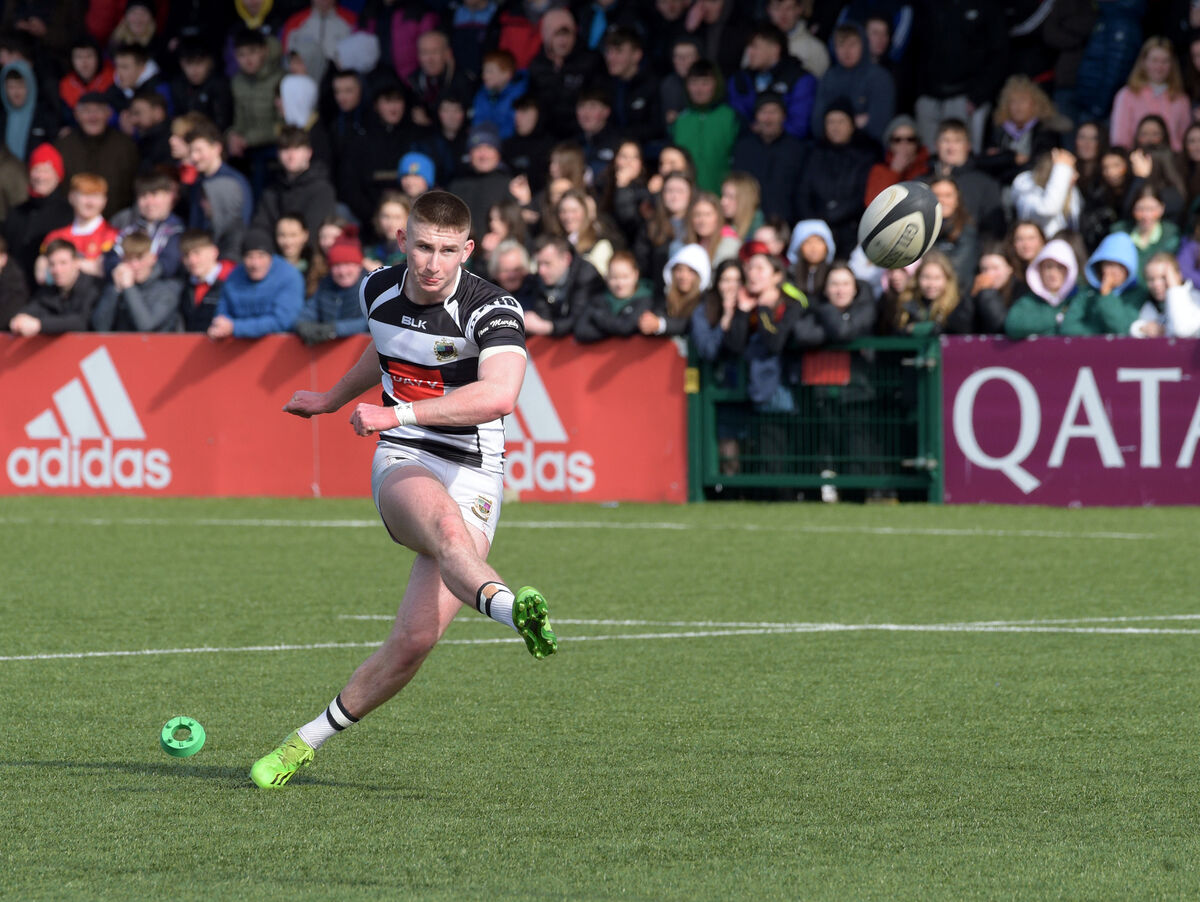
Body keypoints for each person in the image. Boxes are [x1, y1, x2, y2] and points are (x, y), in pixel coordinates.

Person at [250, 190, 556, 789]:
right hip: (405, 454)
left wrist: (395, 412)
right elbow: (384, 349)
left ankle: (302, 742)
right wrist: (332, 399)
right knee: (446, 532)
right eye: (423, 247)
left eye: (447, 250)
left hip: (475, 467)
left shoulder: (493, 309)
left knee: (413, 642)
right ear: (402, 242)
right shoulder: (376, 289)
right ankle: (510, 609)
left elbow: (499, 395)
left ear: (467, 250)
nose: (433, 263)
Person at [208, 228, 304, 339]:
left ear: (271, 256)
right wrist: (220, 326)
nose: (255, 264)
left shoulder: (289, 276)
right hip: (238, 346)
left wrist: (236, 327)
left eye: (261, 256)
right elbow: (222, 313)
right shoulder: (234, 277)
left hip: (281, 347)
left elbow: (283, 321)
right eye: (249, 256)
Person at [54, 92, 138, 217]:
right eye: (87, 111)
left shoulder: (126, 146)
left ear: (108, 114)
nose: (93, 117)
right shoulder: (63, 146)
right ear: (76, 115)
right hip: (71, 221)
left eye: (98, 110)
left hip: (116, 221)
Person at [727, 23, 816, 141]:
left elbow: (799, 127)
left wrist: (767, 130)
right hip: (748, 147)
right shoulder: (740, 79)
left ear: (775, 49)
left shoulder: (800, 79)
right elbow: (736, 122)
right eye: (748, 47)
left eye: (755, 47)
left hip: (788, 148)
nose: (749, 52)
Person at [809, 21, 894, 144]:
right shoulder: (828, 77)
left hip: (866, 149)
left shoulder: (880, 78)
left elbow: (878, 127)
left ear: (863, 45)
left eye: (852, 44)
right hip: (829, 149)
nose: (846, 51)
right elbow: (817, 126)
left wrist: (834, 124)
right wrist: (856, 121)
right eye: (841, 45)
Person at [252, 126, 336, 239]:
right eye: (285, 149)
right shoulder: (272, 190)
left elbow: (315, 235)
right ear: (278, 154)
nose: (291, 156)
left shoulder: (322, 190)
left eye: (297, 148)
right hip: (273, 250)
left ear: (309, 153)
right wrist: (261, 247)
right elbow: (260, 227)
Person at [91, 230, 183, 332]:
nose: (135, 266)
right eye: (129, 259)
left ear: (153, 258)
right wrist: (115, 290)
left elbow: (146, 326)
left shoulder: (169, 288)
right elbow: (100, 327)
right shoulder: (117, 287)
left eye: (140, 258)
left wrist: (129, 288)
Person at [1110, 37, 1191, 152]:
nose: (1159, 66)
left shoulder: (1181, 99)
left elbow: (1185, 141)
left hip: (1171, 159)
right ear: (1144, 62)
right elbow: (1120, 139)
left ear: (1172, 64)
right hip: (1136, 158)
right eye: (1154, 60)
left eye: (1165, 61)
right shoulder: (1126, 95)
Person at [186, 119, 253, 259]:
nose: (194, 157)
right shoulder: (197, 183)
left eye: (199, 150)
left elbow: (241, 226)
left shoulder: (234, 182)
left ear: (216, 148)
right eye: (191, 151)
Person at [672, 59, 739, 195]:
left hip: (723, 196)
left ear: (716, 85)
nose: (699, 89)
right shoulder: (680, 121)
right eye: (693, 83)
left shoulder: (731, 118)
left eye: (705, 83)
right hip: (687, 197)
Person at [8, 239, 102, 336]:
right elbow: (34, 308)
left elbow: (81, 322)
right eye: (52, 264)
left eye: (63, 263)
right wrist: (20, 319)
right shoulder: (49, 291)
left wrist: (40, 325)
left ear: (76, 263)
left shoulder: (94, 287)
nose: (57, 270)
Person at [1061, 231, 1148, 336]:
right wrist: (1099, 337)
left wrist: (1106, 294)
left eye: (1120, 265)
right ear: (1100, 266)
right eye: (1109, 264)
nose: (1113, 272)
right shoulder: (1088, 292)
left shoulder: (1138, 293)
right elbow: (1068, 326)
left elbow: (1122, 327)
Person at [38, 173, 118, 281]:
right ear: (71, 197)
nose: (90, 202)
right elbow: (43, 276)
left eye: (96, 196)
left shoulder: (114, 236)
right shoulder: (55, 237)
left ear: (104, 200)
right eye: (85, 195)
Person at [524, 233, 605, 337]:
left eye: (547, 263)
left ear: (566, 259)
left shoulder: (586, 275)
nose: (541, 271)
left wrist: (549, 327)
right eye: (539, 264)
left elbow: (580, 319)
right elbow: (543, 314)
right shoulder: (539, 280)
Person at [293, 232, 368, 344]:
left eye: (347, 264)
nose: (342, 272)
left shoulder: (370, 287)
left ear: (359, 266)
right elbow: (309, 311)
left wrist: (334, 329)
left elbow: (369, 322)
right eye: (337, 265)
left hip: (360, 349)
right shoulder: (325, 285)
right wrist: (303, 326)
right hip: (326, 351)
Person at [1005, 237, 1080, 339]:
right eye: (1048, 267)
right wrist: (1057, 318)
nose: (1053, 273)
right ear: (1039, 270)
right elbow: (1013, 326)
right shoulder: (1028, 301)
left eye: (1060, 267)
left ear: (1070, 270)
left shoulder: (1081, 298)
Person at [574, 249, 654, 342]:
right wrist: (614, 329)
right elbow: (581, 331)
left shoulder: (646, 299)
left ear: (636, 275)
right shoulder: (598, 299)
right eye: (614, 277)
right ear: (607, 277)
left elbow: (626, 327)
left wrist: (599, 317)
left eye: (625, 277)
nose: (620, 284)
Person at [179, 229, 235, 333]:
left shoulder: (233, 281)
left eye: (197, 253)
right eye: (186, 255)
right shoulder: (184, 287)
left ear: (214, 252)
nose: (192, 260)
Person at [1136, 251, 1200, 338]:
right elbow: (1137, 328)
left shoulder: (1195, 299)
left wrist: (1174, 288)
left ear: (1178, 275)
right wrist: (1142, 329)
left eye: (1164, 277)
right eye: (1151, 279)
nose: (1156, 284)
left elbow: (1181, 330)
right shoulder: (1151, 306)